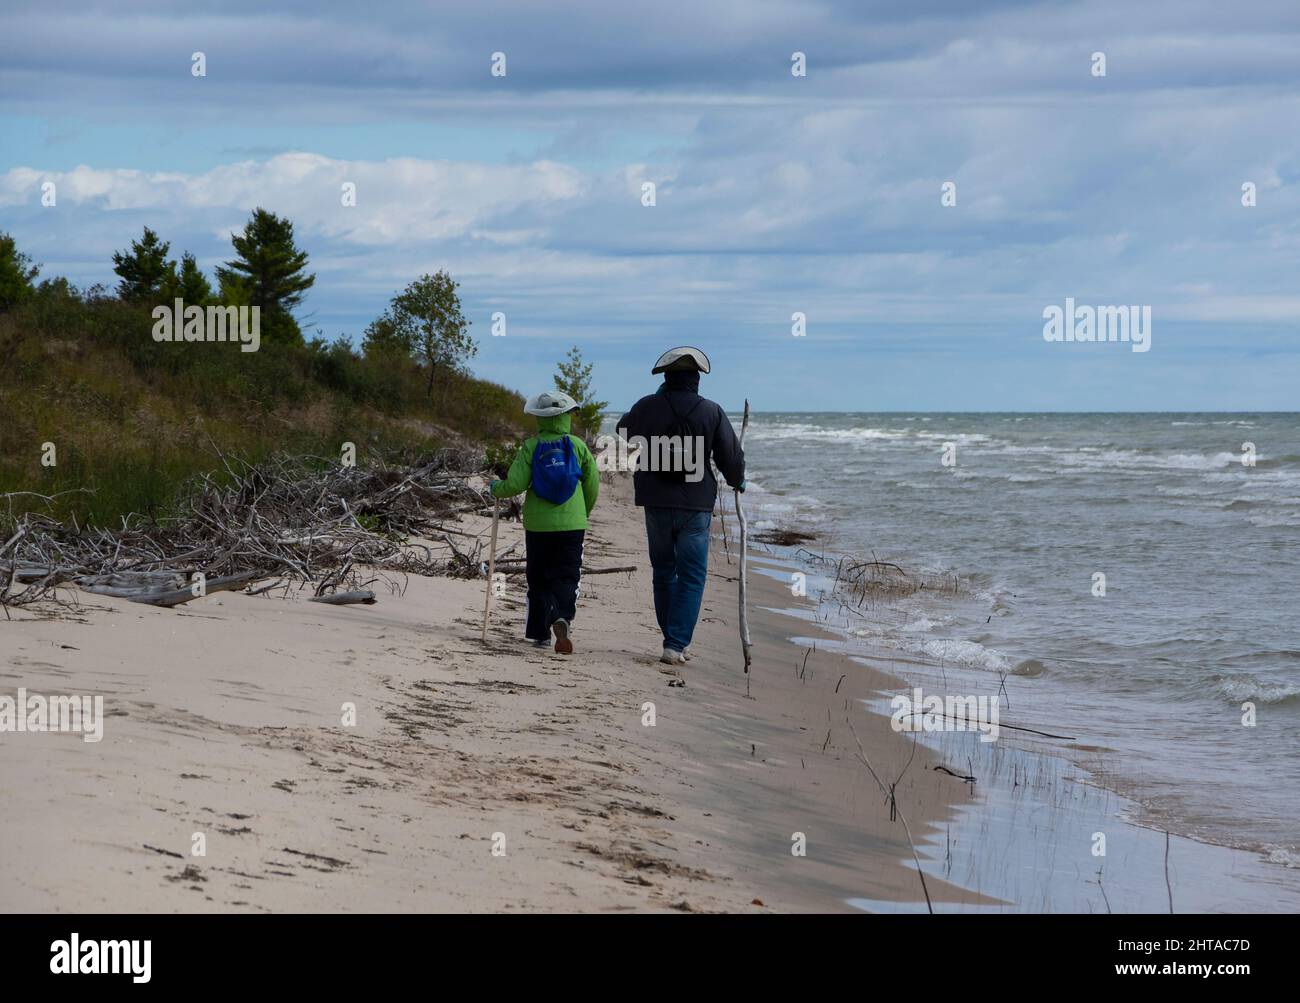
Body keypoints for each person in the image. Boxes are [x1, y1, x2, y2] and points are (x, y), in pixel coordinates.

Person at [616, 347, 745, 665]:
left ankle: (672, 639)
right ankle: (675, 643)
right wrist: (737, 480)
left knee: (663, 572)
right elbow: (728, 455)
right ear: (696, 380)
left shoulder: (647, 406)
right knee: (692, 575)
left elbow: (622, 431)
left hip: (656, 501)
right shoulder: (711, 411)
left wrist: (654, 406)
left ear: (666, 378)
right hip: (695, 505)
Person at [490, 390, 599, 654]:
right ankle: (562, 617)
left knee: (538, 578)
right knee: (567, 575)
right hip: (572, 523)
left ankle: (540, 634)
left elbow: (515, 484)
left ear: (539, 417)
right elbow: (592, 484)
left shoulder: (531, 446)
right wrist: (583, 512)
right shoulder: (577, 445)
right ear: (566, 416)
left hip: (538, 524)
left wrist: (496, 487)